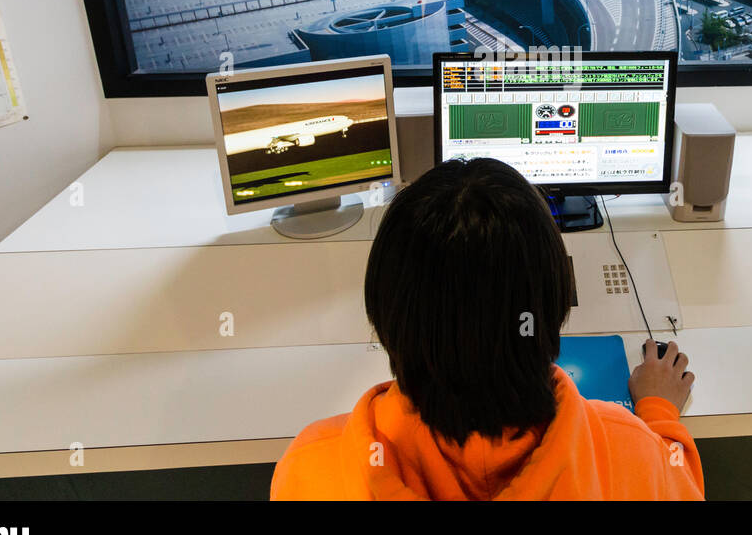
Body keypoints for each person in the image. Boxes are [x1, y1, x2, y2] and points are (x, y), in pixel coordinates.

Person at [270, 157, 703, 500]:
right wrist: (659, 411)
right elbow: (677, 482)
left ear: (385, 317)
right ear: (552, 313)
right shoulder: (635, 453)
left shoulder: (309, 468)